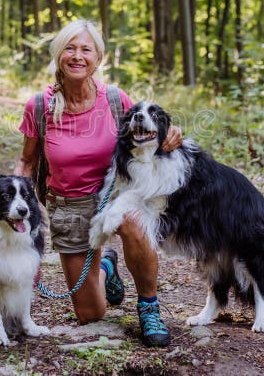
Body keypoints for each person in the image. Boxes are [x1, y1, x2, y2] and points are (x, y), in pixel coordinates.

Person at [14, 19, 181, 347]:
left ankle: (148, 306)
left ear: (98, 58)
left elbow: (148, 130)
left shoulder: (116, 100)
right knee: (90, 314)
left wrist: (171, 135)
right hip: (68, 204)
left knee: (133, 221)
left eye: (85, 50)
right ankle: (105, 266)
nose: (77, 56)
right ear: (59, 55)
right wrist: (15, 202)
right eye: (69, 49)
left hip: (118, 192)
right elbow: (28, 161)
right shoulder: (39, 106)